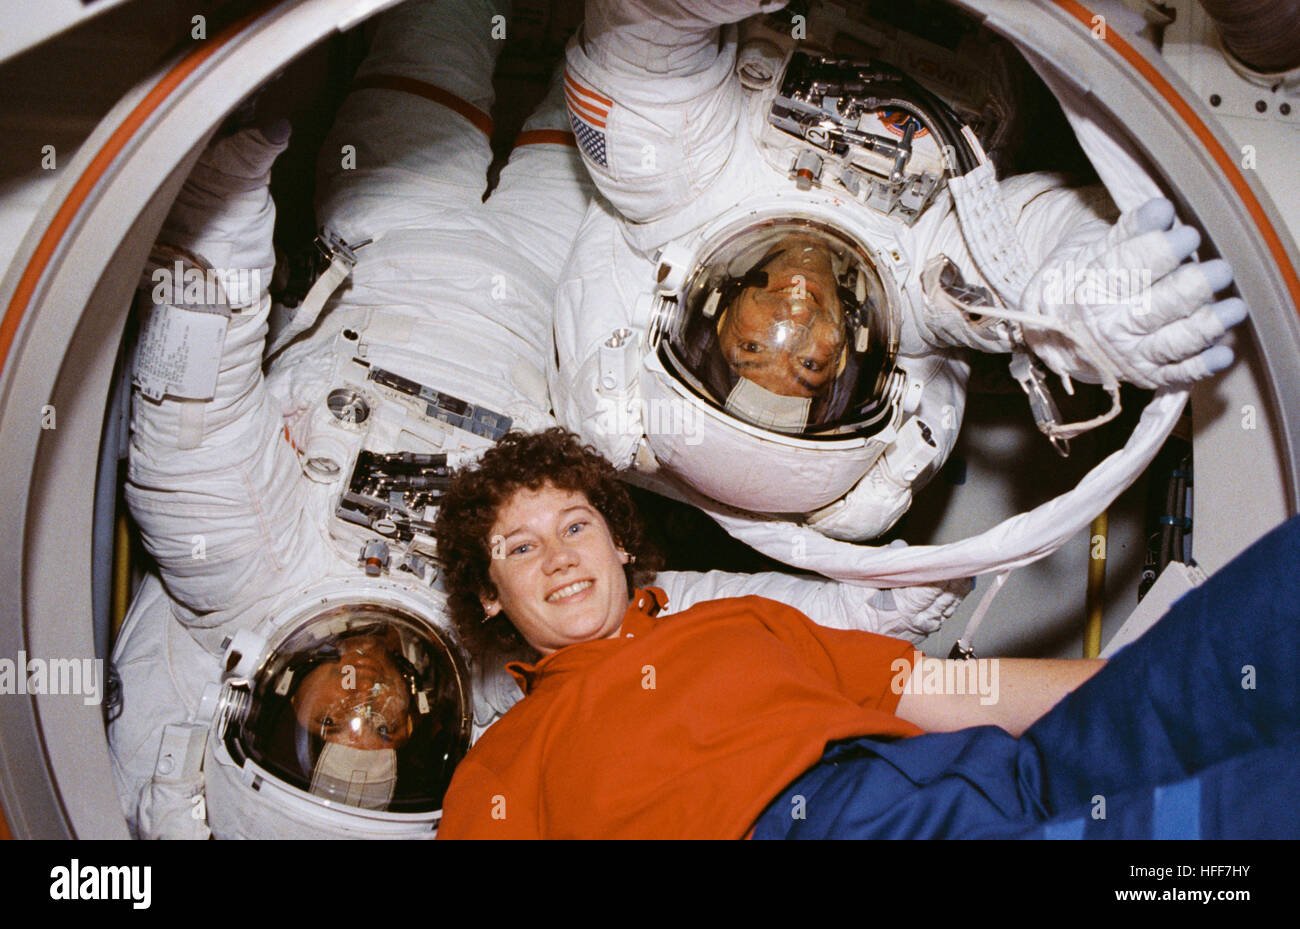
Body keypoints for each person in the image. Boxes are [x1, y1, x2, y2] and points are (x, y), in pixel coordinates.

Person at [107, 0, 965, 841]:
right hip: (537, 286)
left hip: (395, 232)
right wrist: (871, 610)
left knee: (437, 22)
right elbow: (694, 624)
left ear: (268, 702)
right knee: (599, 71)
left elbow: (192, 415)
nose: (368, 698)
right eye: (388, 730)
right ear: (426, 750)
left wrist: (220, 212)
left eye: (333, 719)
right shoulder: (499, 662)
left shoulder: (241, 570)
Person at [549, 0, 1248, 546]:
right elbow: (1031, 250)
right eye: (813, 369)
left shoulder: (671, 179)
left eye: (754, 351)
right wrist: (1081, 307)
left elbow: (641, 44)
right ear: (859, 364)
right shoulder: (924, 288)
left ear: (709, 315)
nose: (797, 334)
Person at [432, 428, 1298, 839]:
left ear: (620, 540)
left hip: (991, 776)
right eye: (520, 546)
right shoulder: (502, 762)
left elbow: (951, 692)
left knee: (1255, 617)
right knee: (1223, 829)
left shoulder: (745, 623)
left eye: (575, 525)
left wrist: (1140, 682)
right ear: (492, 594)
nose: (558, 556)